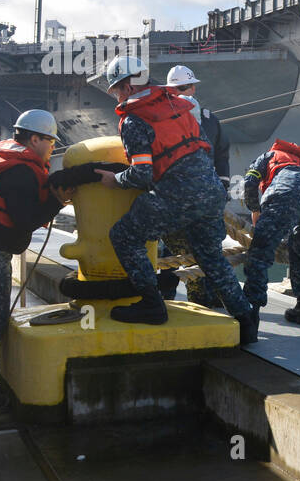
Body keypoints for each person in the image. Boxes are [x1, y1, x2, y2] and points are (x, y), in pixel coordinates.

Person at [97, 55, 258, 344]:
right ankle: (246, 321)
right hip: (211, 191)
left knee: (124, 235)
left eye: (118, 90)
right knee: (211, 255)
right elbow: (206, 149)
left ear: (129, 87)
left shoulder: (133, 119)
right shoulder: (179, 105)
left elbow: (142, 174)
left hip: (176, 193)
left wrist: (115, 180)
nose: (118, 96)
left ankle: (151, 304)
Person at [0, 111, 96, 411]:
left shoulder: (8, 161)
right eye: (50, 141)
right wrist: (56, 201)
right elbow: (25, 221)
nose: (52, 147)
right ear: (34, 138)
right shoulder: (22, 172)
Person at [155, 66, 227, 308]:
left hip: (196, 195)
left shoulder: (207, 119)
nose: (183, 92)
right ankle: (170, 296)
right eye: (178, 89)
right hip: (184, 195)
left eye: (185, 88)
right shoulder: (170, 118)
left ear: (193, 88)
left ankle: (204, 298)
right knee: (174, 249)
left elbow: (222, 153)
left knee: (186, 247)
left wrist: (223, 186)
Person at [241, 139, 300, 323]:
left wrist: (254, 209)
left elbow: (250, 181)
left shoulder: (269, 156)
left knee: (260, 254)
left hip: (284, 194)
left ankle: (251, 314)